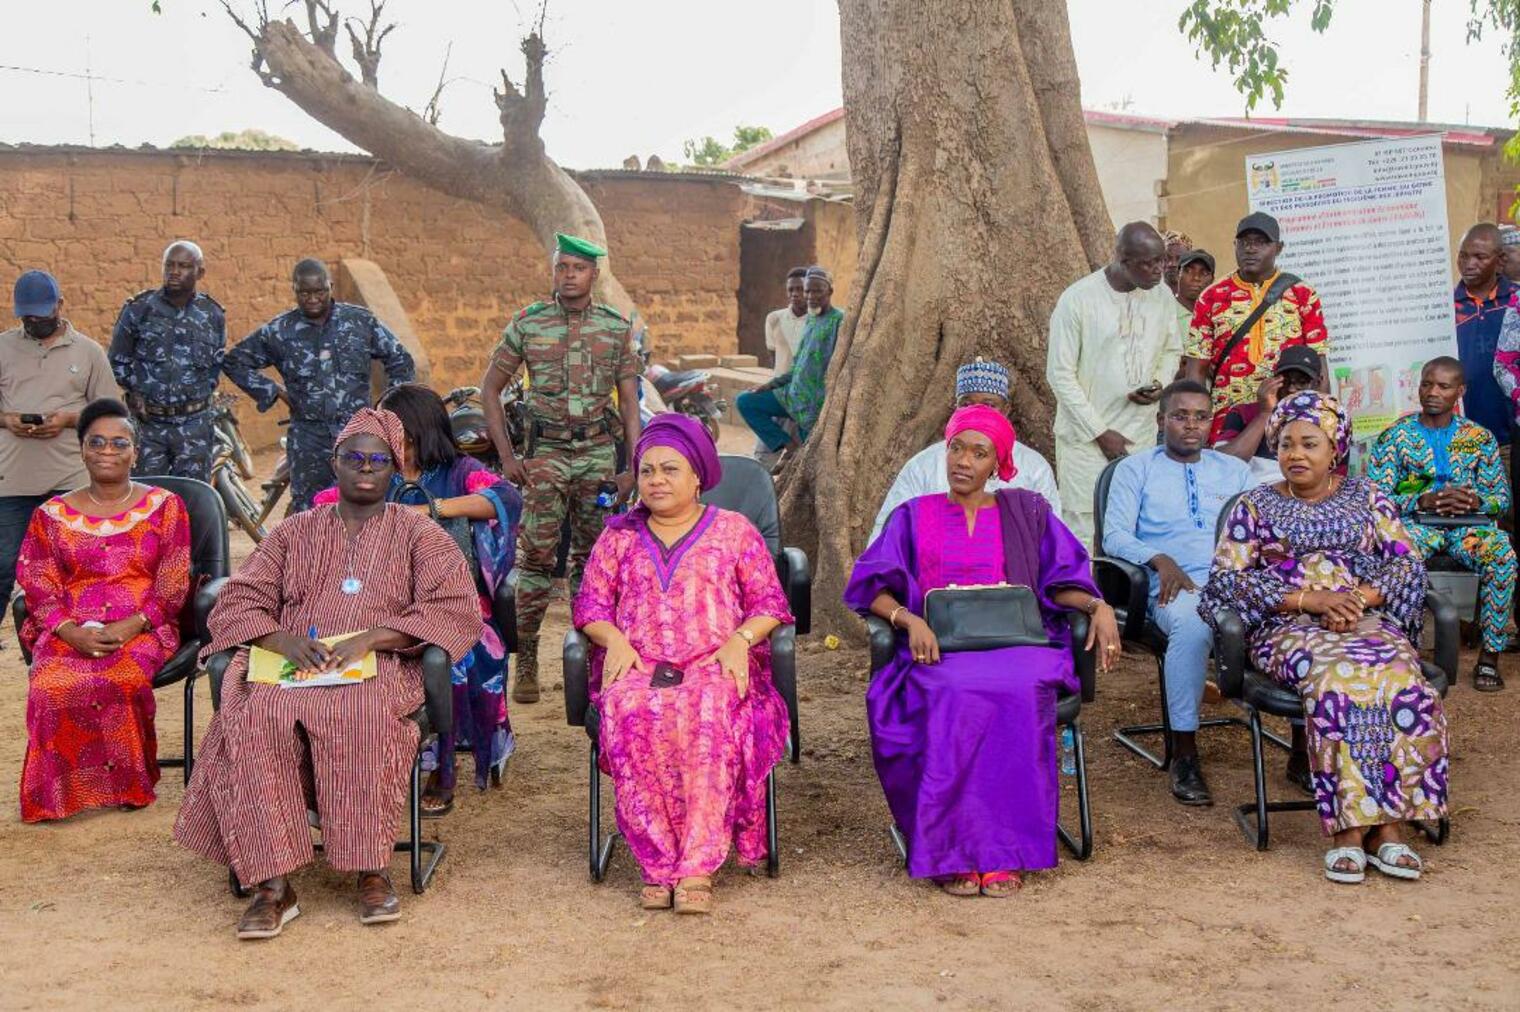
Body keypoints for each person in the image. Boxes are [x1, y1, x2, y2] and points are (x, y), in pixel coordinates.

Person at [174, 409, 480, 938]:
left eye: (378, 460)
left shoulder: (420, 534)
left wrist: (374, 636)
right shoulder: (293, 531)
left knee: (360, 714)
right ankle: (273, 885)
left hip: (379, 666)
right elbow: (239, 600)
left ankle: (371, 869)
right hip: (293, 664)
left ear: (396, 468)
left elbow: (454, 607)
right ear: (333, 463)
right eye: (354, 458)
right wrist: (276, 637)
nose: (365, 469)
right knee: (252, 720)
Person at [844, 405, 1121, 897]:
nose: (964, 461)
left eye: (979, 452)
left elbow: (1061, 584)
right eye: (956, 448)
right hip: (940, 649)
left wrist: (1097, 604)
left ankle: (1000, 853)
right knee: (954, 688)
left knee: (1017, 688)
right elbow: (871, 588)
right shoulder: (914, 515)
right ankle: (953, 850)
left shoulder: (1027, 513)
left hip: (1018, 644)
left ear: (998, 463)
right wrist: (910, 621)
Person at [1200, 391, 1446, 885]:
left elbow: (1406, 563)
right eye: (1286, 443)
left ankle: (1391, 827)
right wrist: (1308, 601)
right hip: (1287, 627)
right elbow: (1225, 581)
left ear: (1335, 447)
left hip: (1365, 620)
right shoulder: (1255, 505)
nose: (1295, 454)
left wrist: (1355, 600)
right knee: (1338, 679)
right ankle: (1348, 832)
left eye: (1309, 443)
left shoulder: (1369, 497)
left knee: (1402, 677)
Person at [573, 414, 794, 914]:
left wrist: (740, 640)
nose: (657, 481)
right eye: (647, 471)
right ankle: (657, 864)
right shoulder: (619, 537)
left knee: (709, 713)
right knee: (631, 710)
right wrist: (614, 640)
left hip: (716, 662)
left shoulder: (734, 531)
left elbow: (769, 602)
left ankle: (696, 866)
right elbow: (590, 607)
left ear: (698, 475)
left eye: (670, 469)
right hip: (640, 664)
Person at [312, 384, 524, 812]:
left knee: (456, 657)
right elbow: (321, 504)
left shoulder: (459, 470)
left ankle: (442, 767)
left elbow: (505, 498)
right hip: (376, 606)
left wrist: (433, 509)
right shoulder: (376, 469)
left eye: (398, 434)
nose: (390, 443)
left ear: (419, 431)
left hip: (455, 606)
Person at [481, 232, 642, 706]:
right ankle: (526, 655)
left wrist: (632, 466)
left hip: (596, 454)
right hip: (545, 457)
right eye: (562, 267)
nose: (569, 275)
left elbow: (630, 400)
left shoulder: (615, 328)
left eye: (578, 268)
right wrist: (508, 457)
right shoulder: (528, 324)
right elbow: (490, 389)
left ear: (594, 275)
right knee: (535, 560)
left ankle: (591, 656)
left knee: (593, 561)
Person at [15, 398, 191, 822]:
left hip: (144, 625)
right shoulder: (51, 515)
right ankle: (56, 797)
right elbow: (37, 583)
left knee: (121, 677)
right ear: (82, 449)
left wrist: (133, 626)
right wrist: (69, 631)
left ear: (136, 451)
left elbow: (173, 583)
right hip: (67, 628)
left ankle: (128, 784)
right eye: (97, 442)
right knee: (50, 687)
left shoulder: (165, 508)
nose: (108, 451)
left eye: (119, 443)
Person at [1101, 380, 1252, 806]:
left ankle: (1301, 750)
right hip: (1170, 585)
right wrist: (1158, 558)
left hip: (1234, 580)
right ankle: (1184, 750)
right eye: (1180, 416)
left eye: (1201, 417)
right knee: (1193, 622)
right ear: (1160, 420)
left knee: (1289, 616)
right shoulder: (1135, 469)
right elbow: (1113, 534)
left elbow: (1258, 533)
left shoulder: (1234, 472)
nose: (1191, 425)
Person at [223, 258, 415, 513]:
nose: (312, 298)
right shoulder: (280, 330)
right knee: (309, 509)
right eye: (305, 292)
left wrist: (387, 410)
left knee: (366, 501)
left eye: (319, 291)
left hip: (358, 433)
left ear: (330, 286)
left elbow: (401, 360)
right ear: (295, 290)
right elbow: (236, 361)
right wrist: (274, 391)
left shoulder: (360, 322)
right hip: (308, 438)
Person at [1367, 357, 1512, 692]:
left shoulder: (1478, 438)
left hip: (1470, 528)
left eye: (1443, 386)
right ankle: (1405, 652)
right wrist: (1421, 500)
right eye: (1426, 384)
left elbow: (1500, 499)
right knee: (1398, 556)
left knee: (1503, 555)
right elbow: (1376, 497)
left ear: (1459, 391)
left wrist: (1475, 502)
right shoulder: (1396, 437)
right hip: (1418, 524)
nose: (1432, 392)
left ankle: (1489, 658)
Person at [1045, 222, 1182, 546]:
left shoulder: (1161, 295)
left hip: (1140, 434)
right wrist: (1100, 432)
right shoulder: (1077, 300)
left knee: (1136, 518)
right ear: (1123, 260)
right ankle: (1088, 596)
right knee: (1084, 524)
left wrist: (1158, 384)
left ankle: (1130, 597)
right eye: (1149, 263)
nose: (1159, 270)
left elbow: (1172, 348)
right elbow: (1059, 375)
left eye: (1162, 261)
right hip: (1085, 440)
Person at [1, 270, 122, 622]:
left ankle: (81, 636)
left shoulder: (88, 352)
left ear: (60, 305)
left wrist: (69, 419)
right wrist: (8, 419)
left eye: (41, 313)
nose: (34, 321)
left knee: (79, 568)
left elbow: (112, 412)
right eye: (28, 315)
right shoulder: (3, 347)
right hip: (12, 483)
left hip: (71, 482)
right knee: (2, 567)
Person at [869, 357, 1061, 543]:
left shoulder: (1034, 467)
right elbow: (886, 538)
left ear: (1005, 410)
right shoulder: (922, 465)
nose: (977, 412)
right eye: (967, 404)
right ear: (956, 407)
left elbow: (1053, 541)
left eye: (988, 405)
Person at [1182, 212, 1330, 442]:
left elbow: (1319, 368)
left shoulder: (1302, 294)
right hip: (1227, 421)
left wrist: (1321, 424)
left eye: (1261, 242)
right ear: (1235, 245)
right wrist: (1197, 425)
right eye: (1244, 242)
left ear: (1279, 248)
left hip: (1288, 419)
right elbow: (1196, 371)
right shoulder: (1211, 297)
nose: (1250, 249)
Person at [108, 240, 227, 481]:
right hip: (149, 425)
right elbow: (117, 361)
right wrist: (135, 391)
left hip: (195, 426)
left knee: (192, 497)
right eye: (169, 265)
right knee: (147, 498)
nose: (174, 271)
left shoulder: (212, 314)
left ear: (199, 272)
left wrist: (199, 396)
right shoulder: (139, 309)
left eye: (183, 266)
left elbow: (216, 364)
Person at [735, 266, 845, 466]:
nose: (810, 296)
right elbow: (799, 366)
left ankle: (794, 463)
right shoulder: (812, 319)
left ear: (829, 291)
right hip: (791, 395)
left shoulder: (839, 321)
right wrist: (771, 385)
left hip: (814, 405)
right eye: (808, 291)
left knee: (809, 462)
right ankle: (788, 446)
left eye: (817, 291)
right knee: (746, 401)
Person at [1214, 345, 1324, 484]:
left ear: (1318, 383)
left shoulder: (1327, 419)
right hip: (1254, 496)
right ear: (1274, 379)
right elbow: (1221, 466)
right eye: (1286, 381)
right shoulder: (1243, 413)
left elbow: (1334, 477)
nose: (1291, 388)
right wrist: (1265, 413)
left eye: (1301, 382)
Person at [1451, 224, 1515, 452]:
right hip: (1461, 443)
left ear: (1500, 261)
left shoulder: (1515, 303)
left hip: (1511, 439)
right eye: (1464, 256)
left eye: (1480, 257)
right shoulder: (1447, 308)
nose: (1469, 264)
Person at [765, 266, 810, 376]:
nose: (794, 294)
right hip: (780, 388)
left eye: (800, 289)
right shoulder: (773, 318)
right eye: (791, 290)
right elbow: (773, 354)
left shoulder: (820, 322)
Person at [1173, 248, 1216, 332]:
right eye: (1188, 271)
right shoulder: (1163, 313)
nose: (1196, 277)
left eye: (1204, 273)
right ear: (1178, 274)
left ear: (1212, 280)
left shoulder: (1217, 319)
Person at [1161, 230, 1193, 297]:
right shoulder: (1147, 297)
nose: (1173, 264)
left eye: (1180, 258)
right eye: (1167, 258)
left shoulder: (1201, 299)